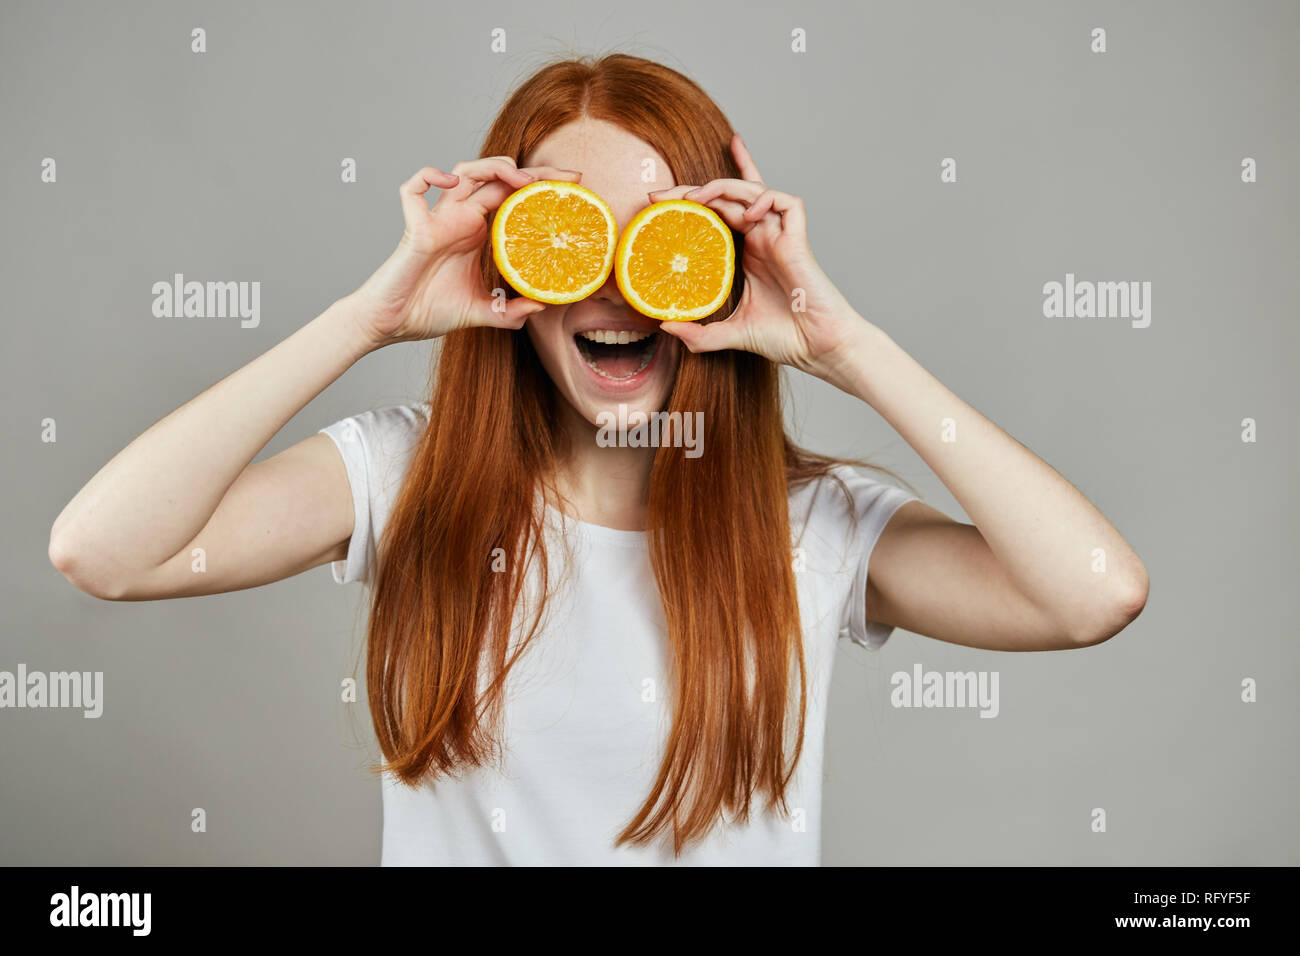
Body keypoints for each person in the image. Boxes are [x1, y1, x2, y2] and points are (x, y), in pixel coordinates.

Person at [48, 54, 1148, 865]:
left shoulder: (810, 526)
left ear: (715, 266)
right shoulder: (404, 476)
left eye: (661, 239)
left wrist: (843, 343)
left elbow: (1095, 593)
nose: (614, 284)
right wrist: (366, 318)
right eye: (571, 234)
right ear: (506, 262)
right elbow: (102, 551)